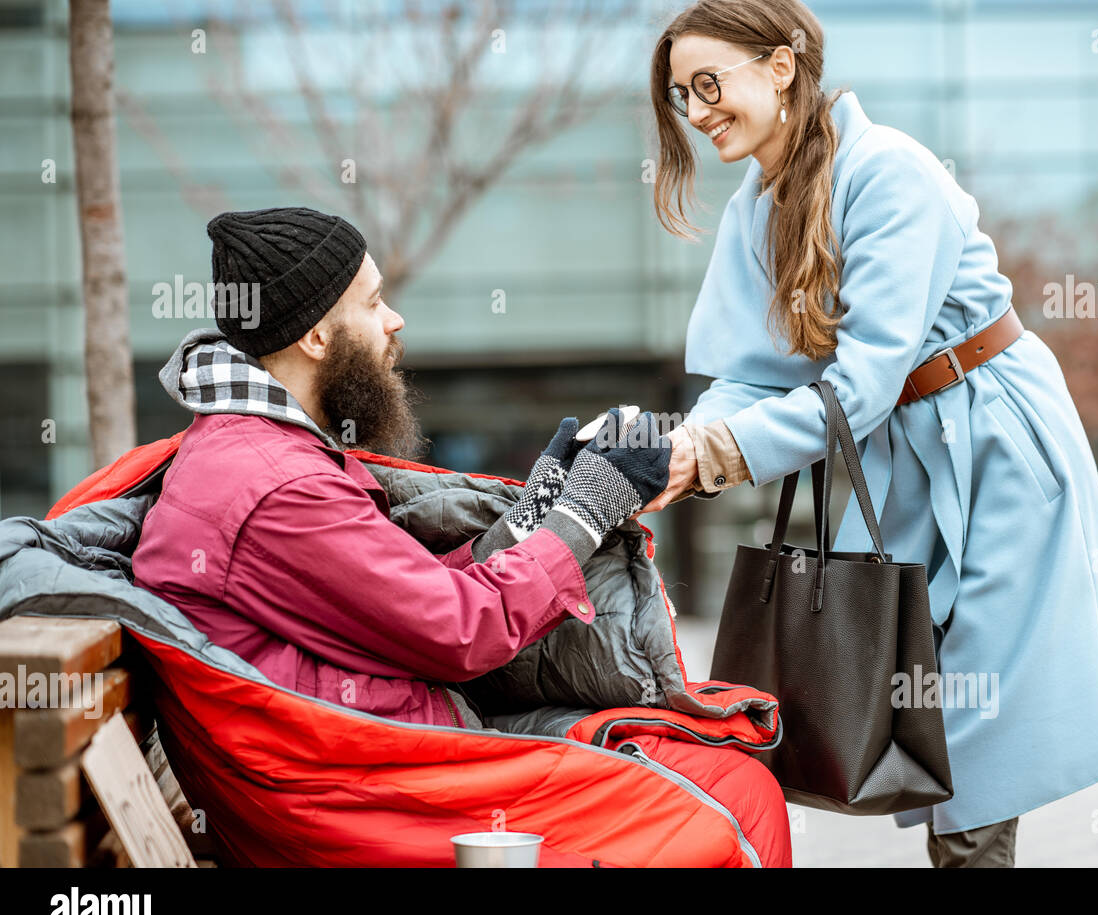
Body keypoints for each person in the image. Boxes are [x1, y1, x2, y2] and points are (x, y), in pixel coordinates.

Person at [635, 0, 1098, 867]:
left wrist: (719, 455)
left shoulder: (888, 171)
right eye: (680, 97)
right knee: (915, 703)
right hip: (900, 451)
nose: (695, 114)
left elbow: (862, 381)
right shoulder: (758, 205)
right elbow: (753, 374)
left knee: (977, 725)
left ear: (779, 66)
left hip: (994, 439)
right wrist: (679, 448)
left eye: (707, 84)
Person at [131, 206, 792, 867]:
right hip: (376, 792)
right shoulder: (274, 484)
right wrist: (587, 509)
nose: (395, 320)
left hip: (381, 757)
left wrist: (538, 509)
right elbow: (460, 628)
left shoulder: (252, 452)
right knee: (734, 794)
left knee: (712, 755)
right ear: (316, 337)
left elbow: (403, 597)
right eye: (373, 301)